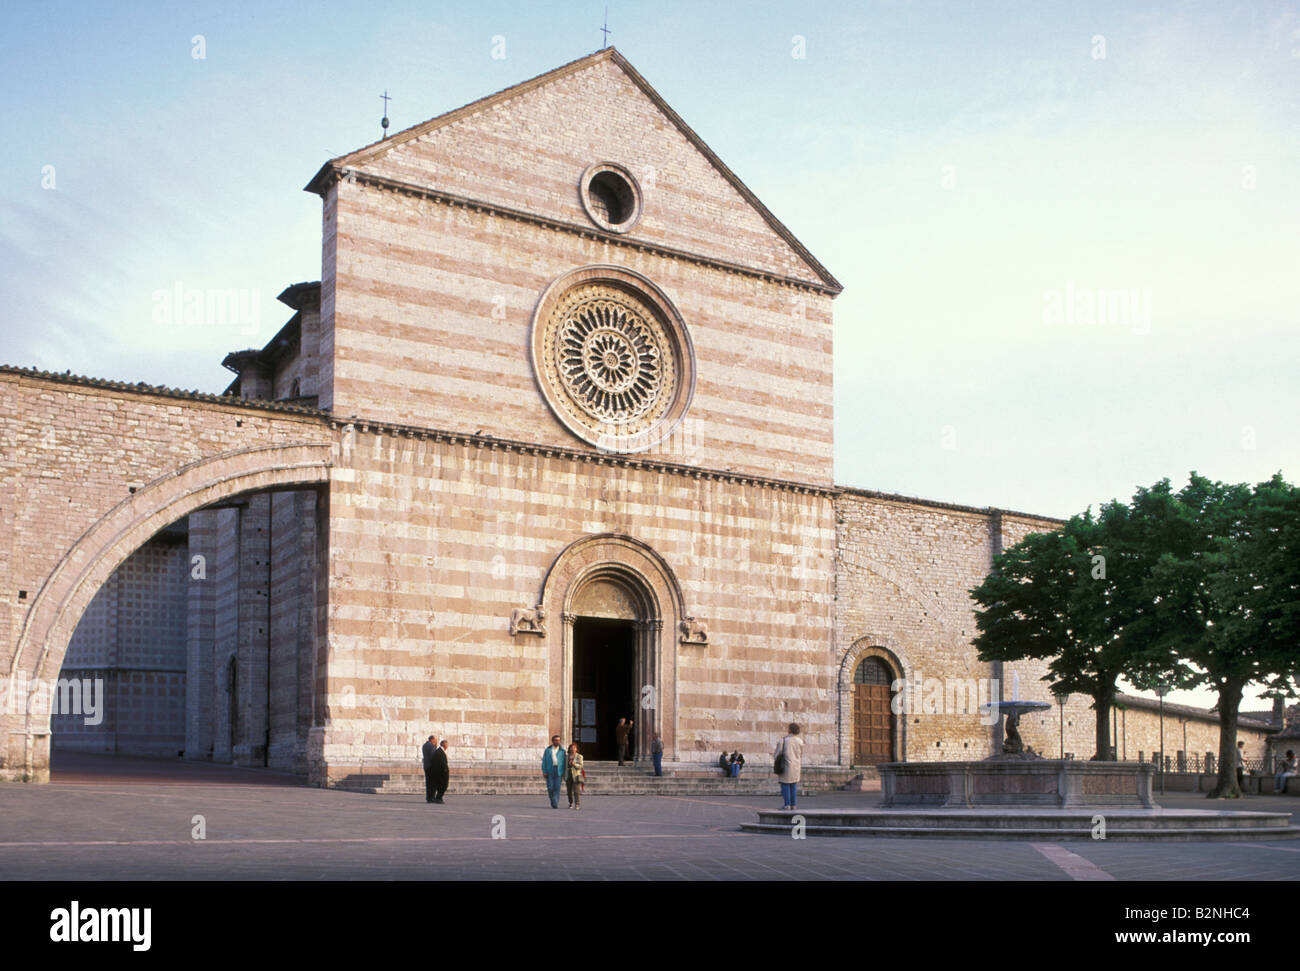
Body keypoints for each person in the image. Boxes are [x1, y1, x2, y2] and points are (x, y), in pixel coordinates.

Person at [775, 723, 804, 810]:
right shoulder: (800, 741)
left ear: (790, 730)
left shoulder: (783, 741)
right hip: (796, 765)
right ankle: (793, 804)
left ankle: (787, 804)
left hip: (786, 765)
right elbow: (800, 753)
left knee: (785, 784)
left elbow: (777, 754)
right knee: (793, 785)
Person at [542, 734, 567, 809]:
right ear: (553, 741)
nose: (557, 742)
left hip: (558, 770)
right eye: (556, 740)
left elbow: (564, 763)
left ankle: (555, 802)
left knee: (557, 787)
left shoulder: (562, 751)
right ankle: (553, 800)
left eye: (559, 740)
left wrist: (564, 772)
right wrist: (544, 771)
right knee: (550, 787)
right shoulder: (548, 750)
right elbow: (544, 761)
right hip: (550, 770)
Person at [421, 734, 439, 804]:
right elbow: (433, 757)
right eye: (435, 740)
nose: (436, 741)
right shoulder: (431, 746)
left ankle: (429, 797)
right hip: (431, 767)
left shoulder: (425, 745)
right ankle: (431, 797)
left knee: (429, 783)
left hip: (426, 766)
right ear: (432, 740)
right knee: (432, 783)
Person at [566, 742, 585, 809]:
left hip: (576, 775)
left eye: (574, 748)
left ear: (576, 749)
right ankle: (570, 803)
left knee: (576, 791)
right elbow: (564, 766)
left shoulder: (579, 756)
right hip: (568, 774)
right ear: (569, 749)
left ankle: (577, 804)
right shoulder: (567, 756)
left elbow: (581, 766)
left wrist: (574, 764)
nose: (572, 749)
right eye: (571, 748)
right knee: (569, 790)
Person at [431, 738, 450, 803]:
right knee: (443, 785)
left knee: (442, 785)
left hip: (441, 772)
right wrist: (445, 770)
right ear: (444, 745)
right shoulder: (439, 752)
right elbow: (441, 763)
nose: (447, 746)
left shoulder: (440, 751)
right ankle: (438, 798)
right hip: (441, 773)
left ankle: (439, 797)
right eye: (447, 745)